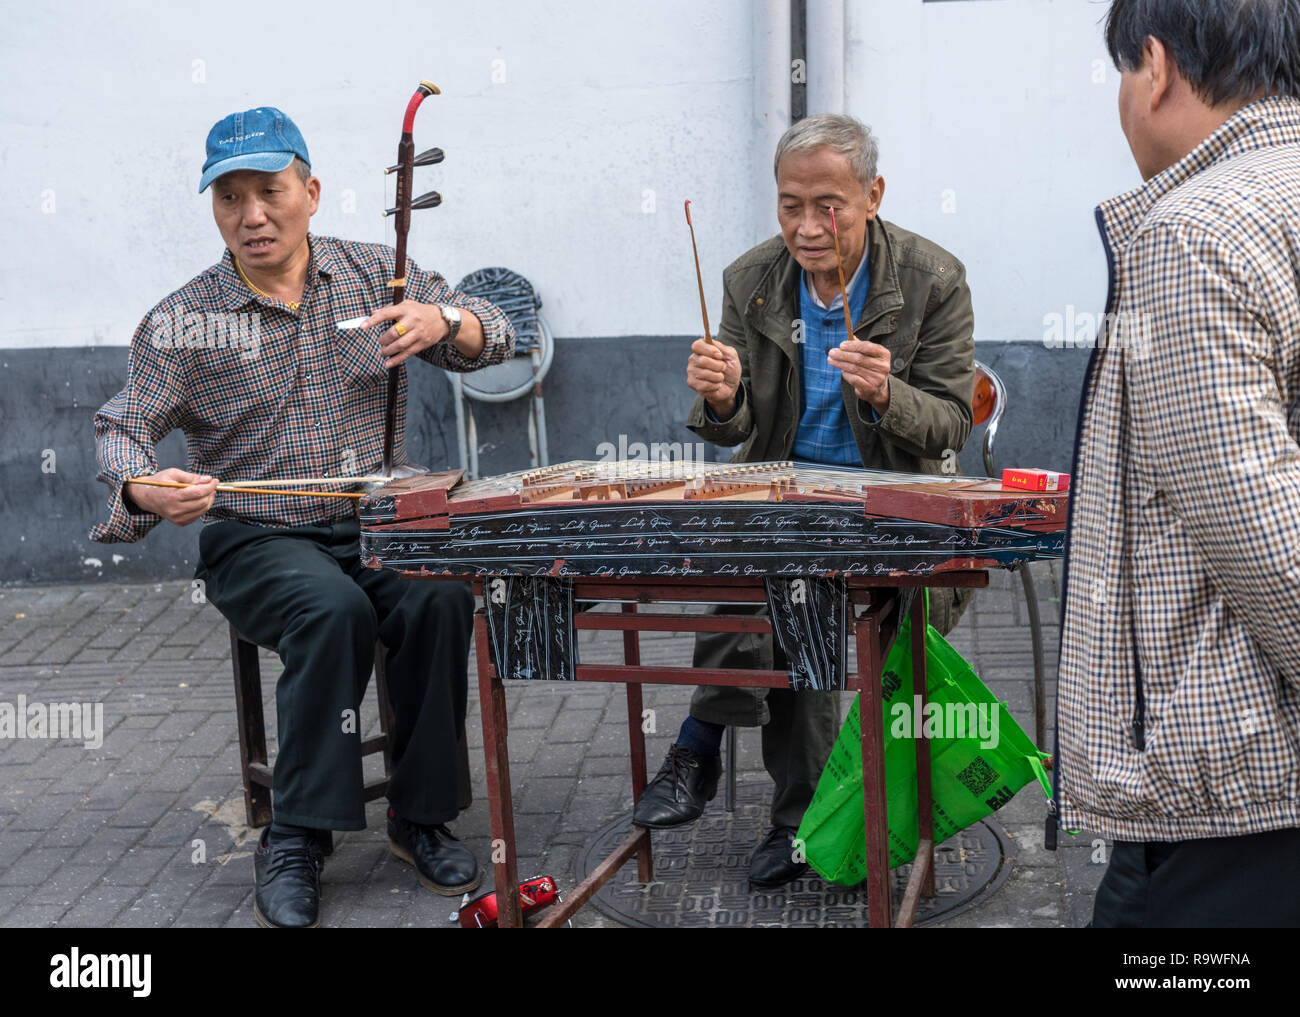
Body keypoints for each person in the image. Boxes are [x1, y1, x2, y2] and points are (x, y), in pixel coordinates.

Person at [90, 106, 514, 928]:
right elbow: (121, 425)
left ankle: (419, 815)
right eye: (231, 198)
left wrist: (446, 321)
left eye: (270, 191)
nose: (252, 215)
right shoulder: (185, 318)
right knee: (332, 609)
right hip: (255, 534)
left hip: (371, 520)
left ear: (310, 191)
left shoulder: (375, 274)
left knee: (436, 595)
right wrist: (143, 488)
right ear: (215, 208)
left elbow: (496, 332)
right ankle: (296, 834)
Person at [632, 113, 975, 889]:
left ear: (873, 196)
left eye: (830, 205)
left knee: (802, 600)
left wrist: (889, 394)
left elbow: (953, 418)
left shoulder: (932, 278)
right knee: (763, 582)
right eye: (791, 204)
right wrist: (722, 400)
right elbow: (737, 429)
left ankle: (705, 750)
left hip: (898, 502)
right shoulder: (749, 281)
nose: (808, 226)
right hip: (786, 495)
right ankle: (794, 816)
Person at [1057, 0, 1300, 927]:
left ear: (1153, 67)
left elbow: (1267, 538)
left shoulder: (1196, 229)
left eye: (1125, 73)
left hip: (1234, 781)